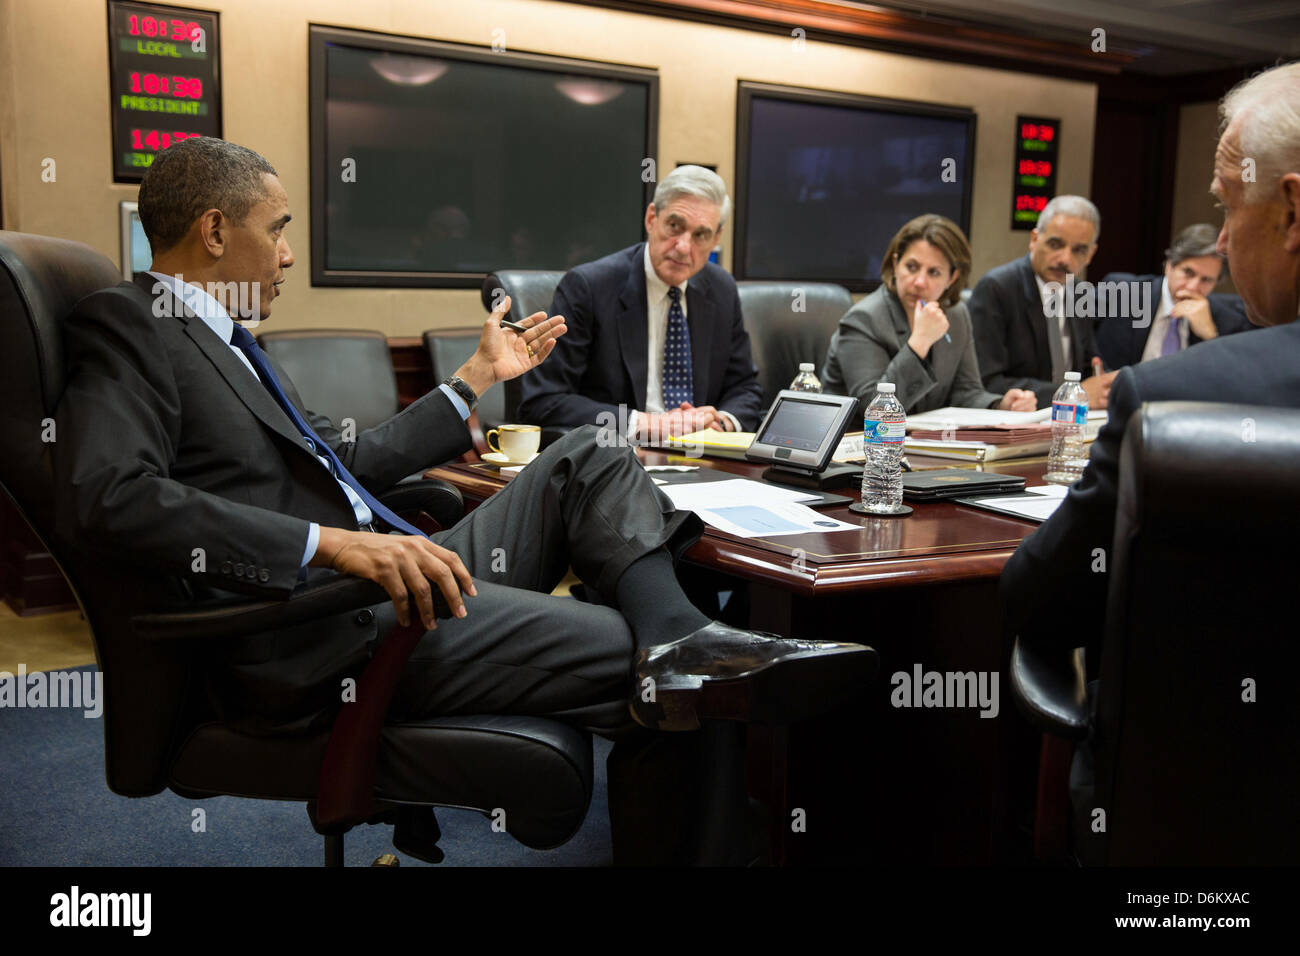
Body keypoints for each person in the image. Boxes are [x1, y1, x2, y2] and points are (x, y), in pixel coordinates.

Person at [50, 137, 872, 865]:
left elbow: (349, 465)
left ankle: (681, 636)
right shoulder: (132, 324)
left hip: (393, 578)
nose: (289, 254)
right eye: (280, 228)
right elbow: (107, 498)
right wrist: (329, 546)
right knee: (670, 677)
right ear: (216, 231)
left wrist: (475, 381)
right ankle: (682, 661)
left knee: (590, 452)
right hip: (323, 628)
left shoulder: (229, 342)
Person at [1001, 60, 1300, 669]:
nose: (1219, 243)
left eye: (1228, 207)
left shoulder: (1171, 399)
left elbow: (1036, 601)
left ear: (1292, 212)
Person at [516, 165, 764, 440]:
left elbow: (744, 388)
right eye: (674, 226)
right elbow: (544, 402)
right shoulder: (588, 288)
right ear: (651, 218)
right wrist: (645, 423)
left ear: (716, 238)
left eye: (700, 235)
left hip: (702, 457)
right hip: (618, 457)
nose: (683, 246)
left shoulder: (721, 290)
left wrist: (722, 424)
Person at [820, 214, 1037, 417]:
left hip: (922, 447)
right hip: (858, 448)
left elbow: (965, 392)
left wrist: (1000, 405)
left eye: (934, 272)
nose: (919, 282)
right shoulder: (863, 318)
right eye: (911, 267)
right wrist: (920, 342)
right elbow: (873, 409)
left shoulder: (956, 315)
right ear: (896, 265)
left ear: (952, 278)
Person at [969, 195, 1118, 409]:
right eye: (1055, 244)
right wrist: (1073, 395)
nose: (1065, 259)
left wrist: (1106, 383)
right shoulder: (996, 288)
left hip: (1068, 423)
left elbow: (1089, 365)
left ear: (1091, 254)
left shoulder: (1079, 292)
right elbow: (986, 382)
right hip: (1017, 422)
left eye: (1078, 250)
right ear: (1034, 239)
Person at [1093, 222, 1254, 369]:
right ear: (1169, 266)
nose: (1193, 286)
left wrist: (1209, 335)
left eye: (1206, 280)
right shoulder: (1124, 294)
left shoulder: (1227, 320)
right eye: (1188, 273)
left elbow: (1230, 381)